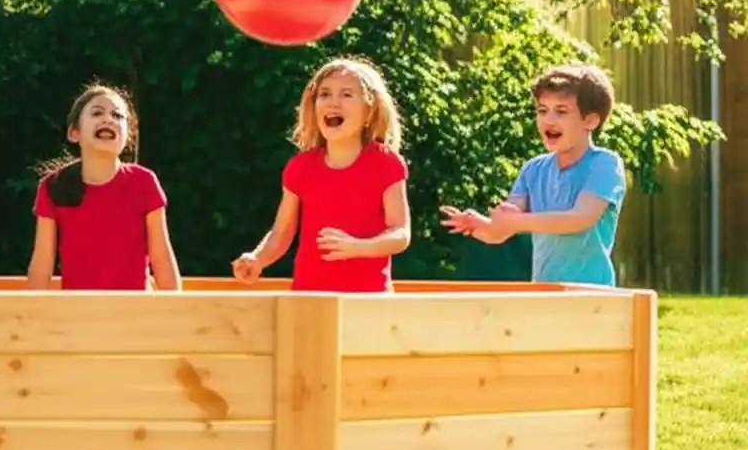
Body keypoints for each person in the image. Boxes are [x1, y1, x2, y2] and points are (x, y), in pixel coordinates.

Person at [232, 56, 411, 292]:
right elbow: (281, 233)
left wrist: (358, 247)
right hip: (308, 298)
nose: (333, 103)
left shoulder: (386, 163)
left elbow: (400, 234)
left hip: (368, 300)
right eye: (325, 94)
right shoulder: (300, 168)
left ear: (370, 111)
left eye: (346, 95)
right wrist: (257, 259)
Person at [440, 63, 626, 286]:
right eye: (542, 110)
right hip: (543, 292)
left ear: (591, 121)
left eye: (561, 111)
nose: (549, 120)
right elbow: (503, 230)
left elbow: (579, 218)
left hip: (593, 296)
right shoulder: (533, 170)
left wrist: (516, 221)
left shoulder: (605, 164)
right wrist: (480, 226)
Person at [25, 82, 181, 291]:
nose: (108, 119)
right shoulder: (53, 186)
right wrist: (33, 316)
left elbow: (162, 257)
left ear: (128, 137)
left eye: (117, 116)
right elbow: (42, 261)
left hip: (137, 313)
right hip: (79, 314)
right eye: (97, 113)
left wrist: (176, 315)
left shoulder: (144, 182)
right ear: (74, 133)